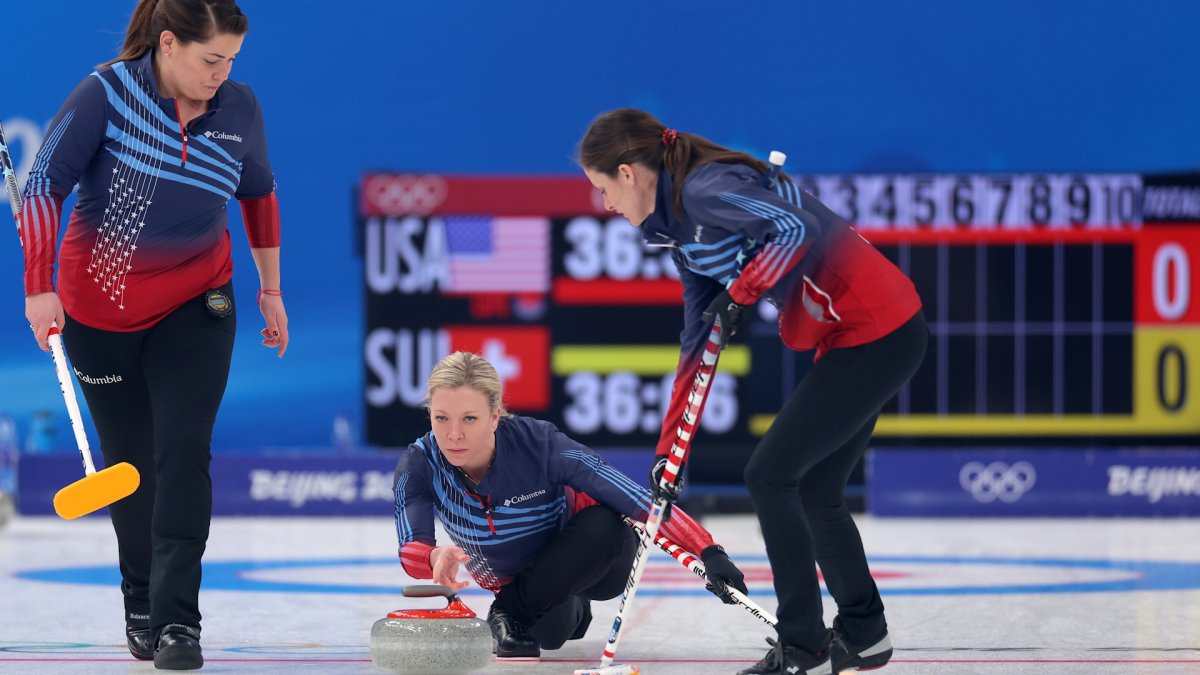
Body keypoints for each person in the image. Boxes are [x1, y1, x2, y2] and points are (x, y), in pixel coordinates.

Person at [577, 109, 928, 675]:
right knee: (815, 487)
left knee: (770, 475)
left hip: (878, 329)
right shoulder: (679, 235)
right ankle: (864, 634)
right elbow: (700, 341)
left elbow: (794, 228)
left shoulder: (707, 190)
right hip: (855, 336)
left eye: (603, 190)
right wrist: (671, 452)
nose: (607, 206)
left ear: (627, 172)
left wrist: (743, 292)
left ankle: (804, 647)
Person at [18, 0, 286, 669]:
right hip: (97, 312)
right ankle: (140, 593)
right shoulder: (104, 95)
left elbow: (258, 192)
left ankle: (176, 622)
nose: (221, 74)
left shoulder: (240, 109)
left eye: (231, 61)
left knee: (185, 449)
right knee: (130, 466)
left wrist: (271, 288)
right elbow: (42, 187)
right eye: (210, 59)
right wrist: (38, 285)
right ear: (168, 44)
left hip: (198, 302)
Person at [393, 351, 748, 659]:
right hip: (522, 580)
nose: (453, 434)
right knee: (553, 635)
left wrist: (708, 550)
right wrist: (432, 558)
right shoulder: (420, 464)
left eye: (469, 418)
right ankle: (562, 608)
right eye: (441, 418)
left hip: (596, 556)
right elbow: (411, 547)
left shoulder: (540, 445)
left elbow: (638, 500)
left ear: (495, 416)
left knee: (606, 525)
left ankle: (508, 610)